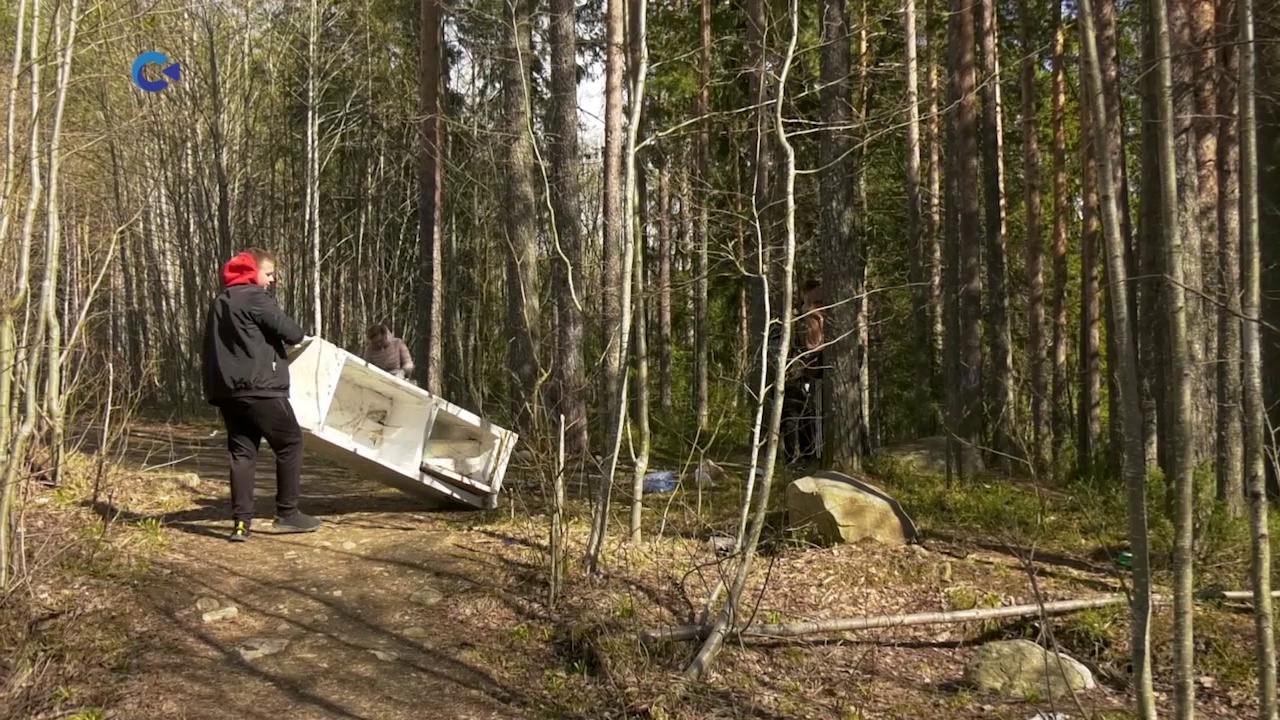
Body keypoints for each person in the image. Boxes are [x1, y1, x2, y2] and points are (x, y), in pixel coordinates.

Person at [202, 248, 321, 542]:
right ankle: (288, 513)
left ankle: (241, 524)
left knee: (242, 454)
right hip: (260, 387)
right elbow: (292, 332)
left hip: (228, 391)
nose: (272, 280)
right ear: (252, 272)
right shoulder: (254, 297)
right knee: (290, 442)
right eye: (268, 274)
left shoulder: (219, 302)